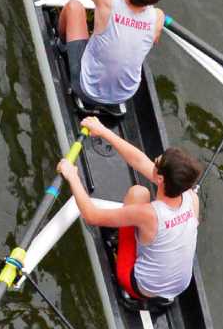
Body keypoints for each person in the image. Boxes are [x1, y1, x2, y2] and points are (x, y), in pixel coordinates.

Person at [56, 120, 204, 304]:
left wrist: (72, 176)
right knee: (142, 193)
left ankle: (123, 254)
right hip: (177, 288)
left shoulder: (148, 214)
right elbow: (139, 161)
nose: (154, 159)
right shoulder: (191, 197)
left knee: (137, 193)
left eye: (157, 160)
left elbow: (91, 216)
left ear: (160, 178)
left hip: (139, 286)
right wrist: (103, 131)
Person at [59, 0, 166, 108]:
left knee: (74, 7)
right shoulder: (158, 18)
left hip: (86, 89)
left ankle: (61, 44)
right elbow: (154, 39)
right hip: (123, 96)